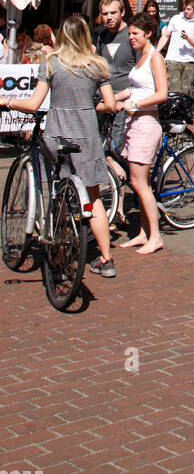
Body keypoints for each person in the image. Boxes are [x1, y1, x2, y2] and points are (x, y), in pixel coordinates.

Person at [0, 14, 118, 279]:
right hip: (87, 135)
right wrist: (89, 107)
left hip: (58, 133)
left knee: (57, 192)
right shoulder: (98, 65)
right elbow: (110, 104)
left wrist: (7, 102)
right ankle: (106, 259)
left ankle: (58, 253)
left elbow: (33, 104)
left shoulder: (52, 63)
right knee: (94, 197)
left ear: (61, 36)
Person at [112, 12, 169, 255]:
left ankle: (155, 236)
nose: (131, 37)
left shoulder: (155, 58)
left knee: (139, 182)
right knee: (138, 182)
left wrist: (135, 105)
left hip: (146, 123)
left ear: (148, 34)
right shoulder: (141, 56)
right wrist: (114, 98)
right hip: (133, 122)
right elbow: (135, 88)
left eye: (135, 34)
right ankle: (144, 233)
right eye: (129, 34)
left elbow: (162, 94)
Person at [94, 0, 136, 154]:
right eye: (105, 14)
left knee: (116, 148)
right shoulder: (102, 36)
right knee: (98, 145)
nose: (109, 17)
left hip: (124, 99)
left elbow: (141, 68)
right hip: (104, 99)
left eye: (113, 13)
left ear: (122, 12)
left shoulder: (131, 35)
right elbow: (98, 67)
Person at [157, 0, 194, 94]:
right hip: (173, 59)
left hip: (188, 60)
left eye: (188, 9)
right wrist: (156, 51)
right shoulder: (176, 19)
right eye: (184, 9)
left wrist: (188, 38)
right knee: (173, 91)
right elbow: (166, 36)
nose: (185, 11)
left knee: (186, 93)